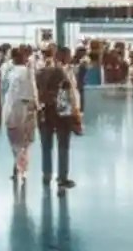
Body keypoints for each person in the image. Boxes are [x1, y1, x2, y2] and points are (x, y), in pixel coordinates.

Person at [36, 46, 80, 192]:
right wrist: (74, 115)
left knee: (46, 146)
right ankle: (62, 177)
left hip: (44, 111)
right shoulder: (64, 73)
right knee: (63, 146)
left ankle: (46, 175)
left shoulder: (41, 70)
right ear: (62, 56)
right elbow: (69, 96)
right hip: (61, 113)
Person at [2, 46, 39, 183]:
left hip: (11, 110)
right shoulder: (27, 72)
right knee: (25, 143)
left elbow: (3, 92)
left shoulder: (7, 72)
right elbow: (33, 91)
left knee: (15, 142)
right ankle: (22, 168)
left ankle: (18, 165)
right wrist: (37, 106)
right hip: (26, 109)